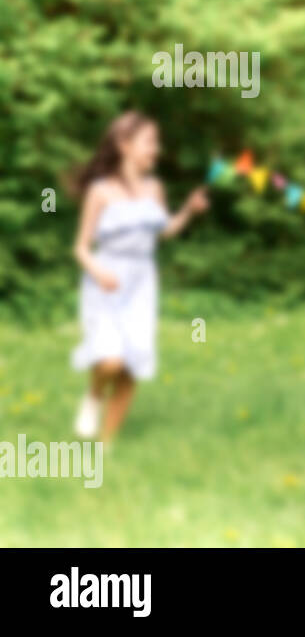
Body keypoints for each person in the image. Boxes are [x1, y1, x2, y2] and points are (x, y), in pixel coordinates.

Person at [71, 111, 208, 442]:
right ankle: (94, 395)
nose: (156, 149)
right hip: (107, 281)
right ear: (124, 145)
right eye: (149, 142)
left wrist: (188, 210)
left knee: (132, 363)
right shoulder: (100, 191)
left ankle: (106, 447)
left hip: (142, 282)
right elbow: (81, 248)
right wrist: (99, 271)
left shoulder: (154, 188)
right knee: (110, 361)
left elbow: (165, 230)